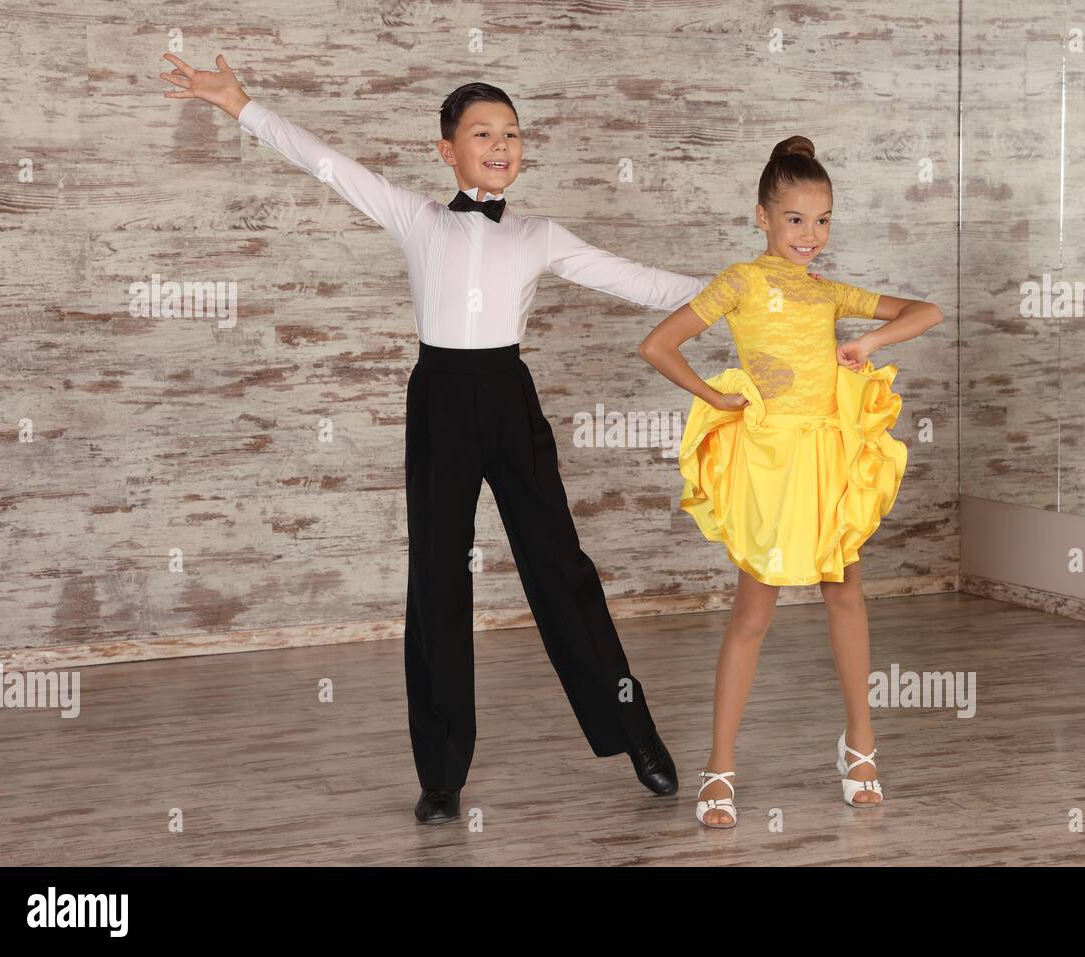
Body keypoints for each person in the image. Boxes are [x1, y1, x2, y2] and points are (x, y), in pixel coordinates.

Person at [159, 53, 714, 823]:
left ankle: (635, 735)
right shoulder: (414, 216)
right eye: (482, 132)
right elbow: (326, 163)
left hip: (509, 398)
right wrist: (239, 104)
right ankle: (442, 772)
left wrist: (746, 287)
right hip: (442, 401)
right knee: (438, 584)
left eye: (512, 133)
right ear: (446, 149)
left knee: (561, 570)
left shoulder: (539, 233)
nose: (500, 144)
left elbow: (639, 281)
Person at [638, 135, 943, 827]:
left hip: (827, 458)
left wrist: (866, 342)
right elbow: (659, 343)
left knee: (846, 594)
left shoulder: (829, 291)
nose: (810, 234)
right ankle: (720, 764)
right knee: (753, 612)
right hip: (773, 461)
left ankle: (860, 744)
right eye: (796, 219)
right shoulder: (741, 282)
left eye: (824, 218)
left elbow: (927, 312)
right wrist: (715, 398)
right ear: (763, 216)